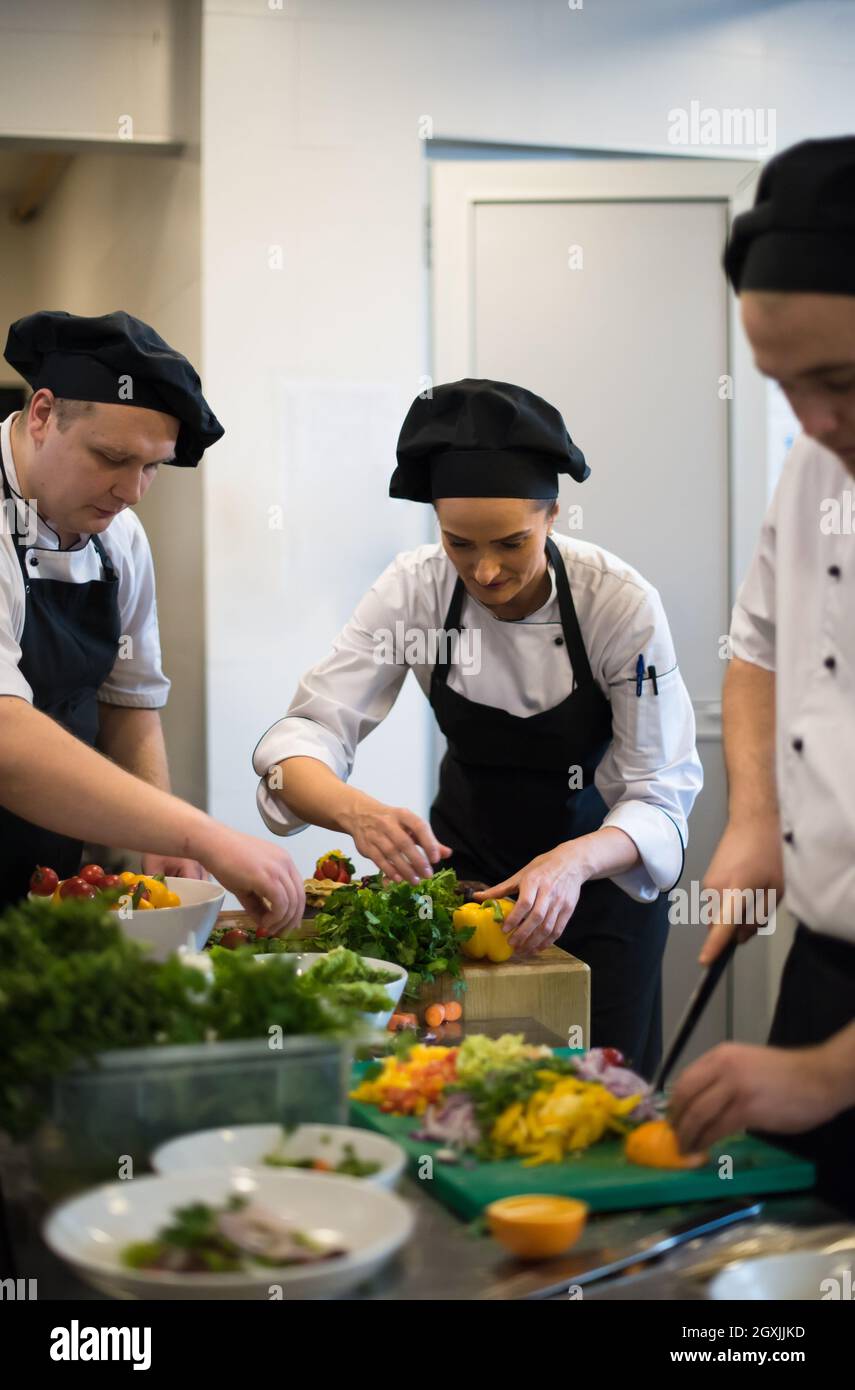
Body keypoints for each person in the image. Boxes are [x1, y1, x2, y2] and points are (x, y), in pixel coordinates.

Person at [253, 379, 702, 1073]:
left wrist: (571, 861)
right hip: (465, 891)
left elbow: (658, 794)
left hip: (601, 897)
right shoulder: (416, 589)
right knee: (452, 1082)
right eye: (459, 543)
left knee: (595, 1093)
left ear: (552, 517)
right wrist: (356, 813)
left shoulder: (617, 604)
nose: (485, 571)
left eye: (512, 543)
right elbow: (303, 738)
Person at [670, 137, 855, 1213]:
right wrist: (755, 819)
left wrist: (827, 1076)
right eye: (790, 390)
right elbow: (762, 648)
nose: (817, 424)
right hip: (826, 967)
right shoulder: (814, 463)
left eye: (841, 382)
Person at [0, 309, 304, 931]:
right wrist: (198, 834)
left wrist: (157, 833)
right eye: (112, 457)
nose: (133, 491)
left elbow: (129, 701)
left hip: (44, 874)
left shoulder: (120, 539)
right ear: (42, 416)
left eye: (152, 467)